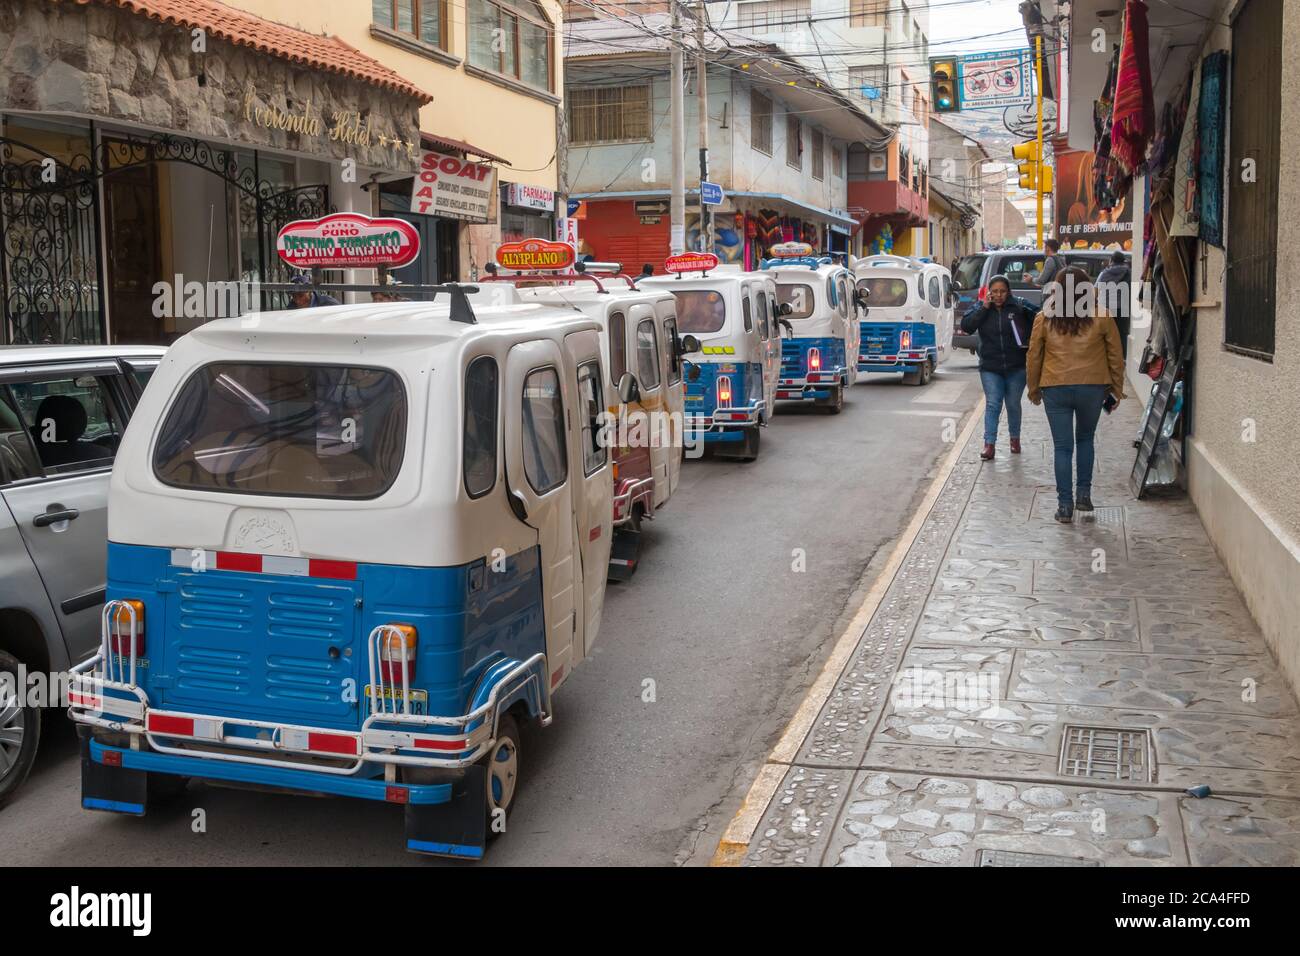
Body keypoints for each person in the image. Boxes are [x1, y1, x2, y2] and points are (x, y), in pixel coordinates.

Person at [1027, 266, 1126, 523]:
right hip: (1092, 388)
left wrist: (1034, 389)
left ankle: (1064, 506)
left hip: (1055, 387)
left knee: (1062, 447)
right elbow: (1116, 356)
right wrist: (1116, 389)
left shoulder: (1044, 317)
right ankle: (1083, 495)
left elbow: (1034, 357)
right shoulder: (1102, 316)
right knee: (1085, 440)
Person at [960, 274, 1036, 460]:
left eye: (1002, 291)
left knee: (1012, 404)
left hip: (1016, 367)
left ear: (1008, 292)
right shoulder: (981, 307)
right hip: (990, 367)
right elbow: (966, 326)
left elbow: (1041, 318)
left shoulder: (1019, 305)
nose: (999, 295)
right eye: (994, 292)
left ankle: (1014, 439)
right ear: (989, 293)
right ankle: (989, 444)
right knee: (993, 404)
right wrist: (984, 308)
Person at [1096, 250, 1132, 359]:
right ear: (1123, 261)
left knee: (1106, 333)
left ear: (1111, 261)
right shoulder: (1129, 273)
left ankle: (1106, 356)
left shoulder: (1104, 273)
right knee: (1122, 333)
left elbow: (1096, 291)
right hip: (1123, 308)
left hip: (1106, 308)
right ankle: (1122, 358)